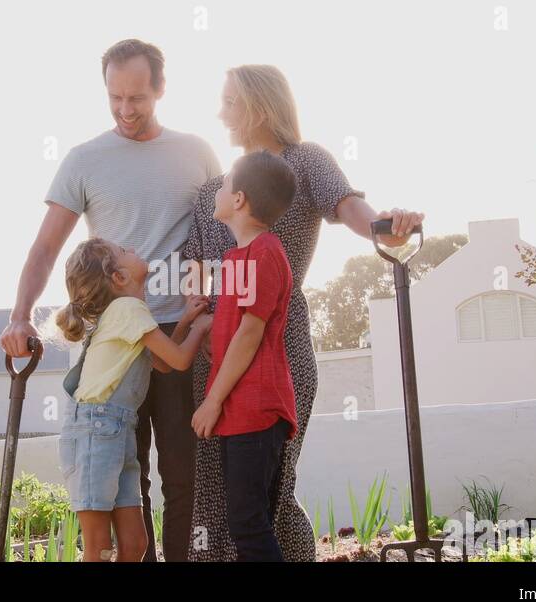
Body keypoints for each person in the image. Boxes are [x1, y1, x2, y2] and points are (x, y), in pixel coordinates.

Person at [180, 64, 425, 561]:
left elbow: (351, 208)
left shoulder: (305, 161)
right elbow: (195, 274)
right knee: (214, 494)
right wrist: (194, 319)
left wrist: (387, 227)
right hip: (216, 349)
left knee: (272, 487)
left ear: (258, 105)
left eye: (229, 102)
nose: (220, 114)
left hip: (279, 343)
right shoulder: (214, 190)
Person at [0, 39, 221, 561]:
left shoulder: (197, 152)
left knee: (184, 473)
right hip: (112, 346)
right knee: (128, 477)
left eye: (138, 98)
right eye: (115, 98)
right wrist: (18, 315)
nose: (126, 110)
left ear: (161, 89)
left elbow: (220, 238)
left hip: (174, 332)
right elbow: (46, 246)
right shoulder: (85, 159)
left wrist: (216, 308)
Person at [54, 237, 212, 562]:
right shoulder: (128, 309)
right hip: (95, 431)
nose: (133, 249)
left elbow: (164, 363)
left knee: (136, 543)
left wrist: (182, 323)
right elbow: (181, 361)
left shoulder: (127, 314)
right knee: (98, 547)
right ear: (119, 278)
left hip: (117, 430)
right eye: (124, 252)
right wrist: (199, 328)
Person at [189, 151, 299, 561]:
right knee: (247, 521)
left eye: (222, 185)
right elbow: (234, 328)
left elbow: (250, 334)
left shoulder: (265, 252)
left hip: (255, 408)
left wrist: (212, 400)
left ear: (238, 200)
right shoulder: (237, 258)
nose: (215, 191)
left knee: (248, 523)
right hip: (241, 411)